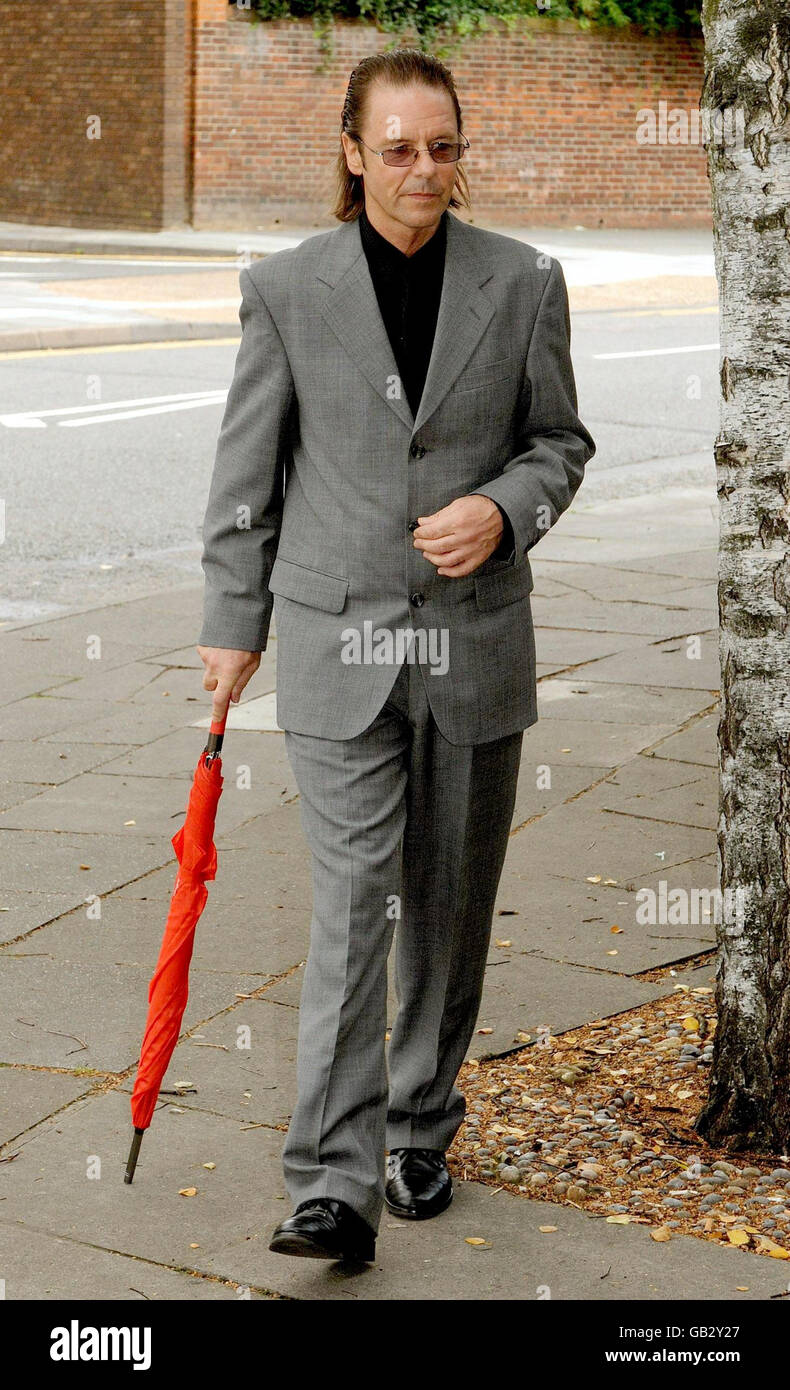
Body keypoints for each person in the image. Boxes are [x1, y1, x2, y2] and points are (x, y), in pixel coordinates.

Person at [196, 47, 595, 1266]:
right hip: (335, 639)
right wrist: (232, 624)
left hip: (472, 643)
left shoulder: (523, 282)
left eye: (444, 147)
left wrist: (504, 507)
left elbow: (560, 442)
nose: (425, 171)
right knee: (352, 907)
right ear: (352, 153)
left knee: (447, 907)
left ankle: (422, 1123)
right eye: (400, 148)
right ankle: (332, 1178)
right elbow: (245, 472)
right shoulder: (285, 285)